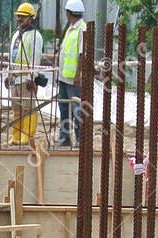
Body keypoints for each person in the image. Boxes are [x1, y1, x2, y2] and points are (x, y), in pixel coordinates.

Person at [6, 3, 45, 146]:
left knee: (28, 108)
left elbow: (35, 58)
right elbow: (12, 57)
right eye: (18, 16)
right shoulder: (16, 34)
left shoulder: (35, 36)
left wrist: (32, 78)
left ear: (30, 18)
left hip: (26, 79)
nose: (19, 18)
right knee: (16, 109)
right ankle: (16, 135)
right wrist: (8, 75)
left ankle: (27, 135)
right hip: (15, 79)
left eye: (22, 16)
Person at [56, 0, 87, 147]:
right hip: (63, 77)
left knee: (76, 111)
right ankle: (65, 138)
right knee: (63, 109)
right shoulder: (70, 28)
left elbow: (82, 54)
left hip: (73, 80)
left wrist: (77, 75)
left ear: (69, 13)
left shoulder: (82, 29)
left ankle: (80, 140)